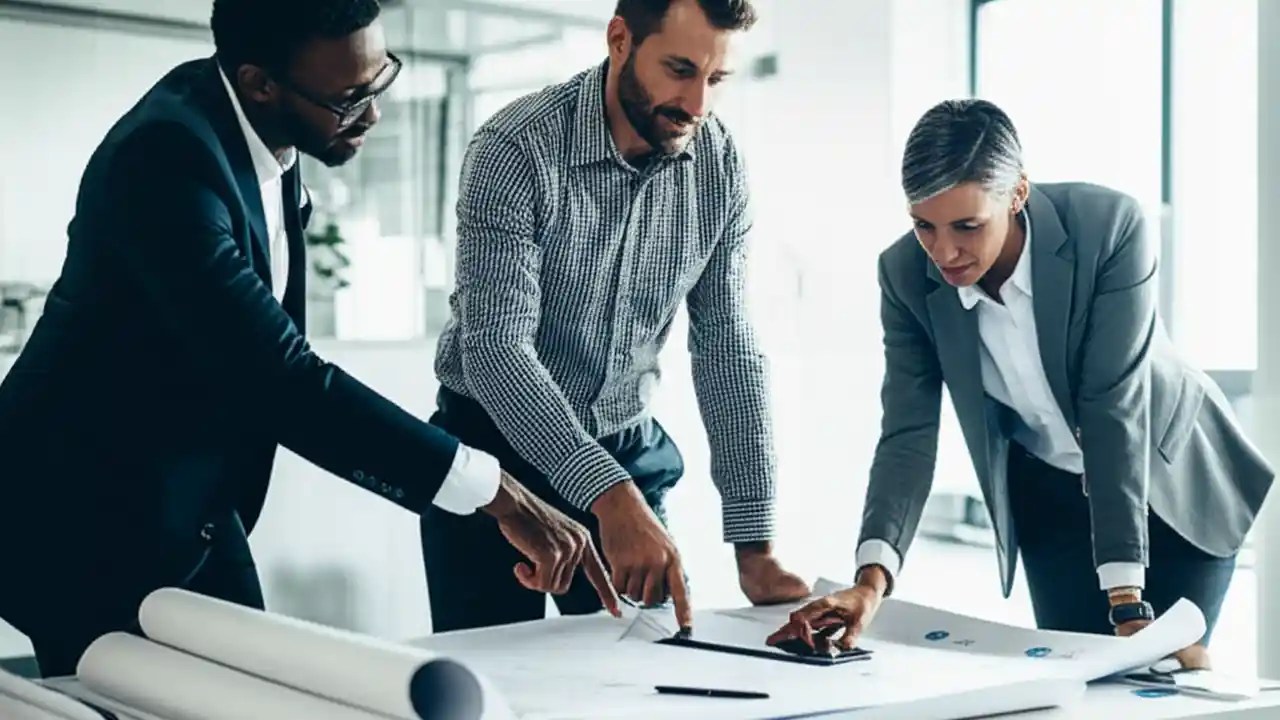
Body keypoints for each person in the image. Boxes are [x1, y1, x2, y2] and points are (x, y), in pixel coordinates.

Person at [0, 0, 618, 678]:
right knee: (156, 698)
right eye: (352, 99)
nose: (373, 116)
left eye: (381, 81)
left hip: (191, 502)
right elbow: (284, 380)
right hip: (71, 512)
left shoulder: (266, 132)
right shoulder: (163, 160)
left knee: (252, 689)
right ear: (260, 82)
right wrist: (495, 489)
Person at [768, 99, 1274, 666]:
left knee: (1165, 683)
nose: (944, 252)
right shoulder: (905, 274)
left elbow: (1114, 408)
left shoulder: (1108, 227)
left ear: (1017, 194)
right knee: (1073, 681)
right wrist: (871, 581)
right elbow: (907, 434)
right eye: (924, 226)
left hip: (1168, 477)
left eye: (967, 226)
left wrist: (1127, 601)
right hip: (1051, 490)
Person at [423, 0, 810, 633]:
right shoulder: (515, 149)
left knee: (644, 681)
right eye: (679, 69)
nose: (696, 104)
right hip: (491, 466)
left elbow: (727, 346)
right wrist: (608, 495)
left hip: (627, 453)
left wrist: (755, 544)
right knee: (491, 686)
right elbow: (495, 349)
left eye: (716, 80)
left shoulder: (720, 164)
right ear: (621, 39)